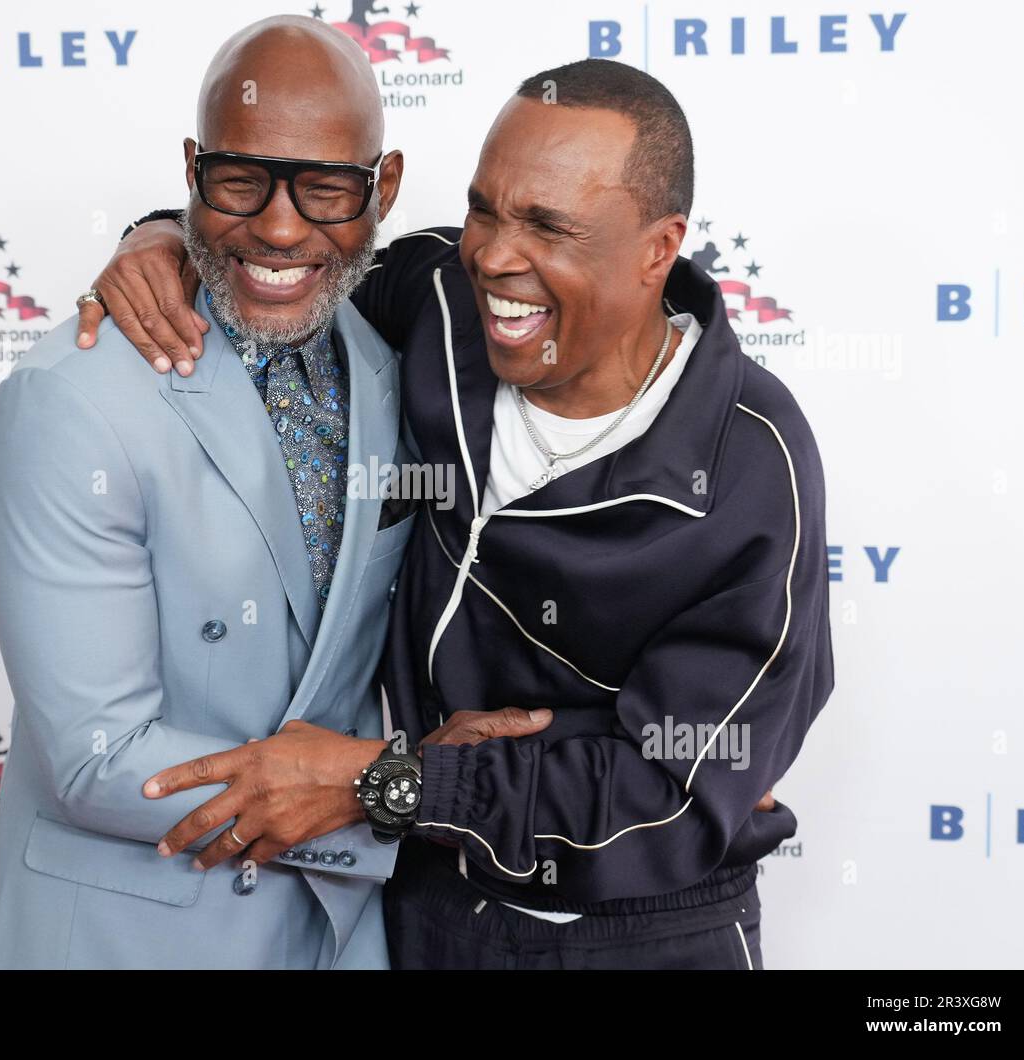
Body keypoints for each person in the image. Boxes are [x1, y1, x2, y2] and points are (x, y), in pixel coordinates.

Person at [82, 53, 835, 969]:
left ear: (657, 248)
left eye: (548, 227)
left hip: (639, 937)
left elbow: (666, 795)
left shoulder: (754, 465)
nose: (492, 256)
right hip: (423, 906)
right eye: (485, 208)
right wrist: (158, 236)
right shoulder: (441, 302)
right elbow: (288, 254)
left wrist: (389, 782)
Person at [0, 15, 549, 970]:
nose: (278, 226)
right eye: (240, 180)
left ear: (382, 188)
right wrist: (389, 790)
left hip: (332, 937)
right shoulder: (66, 401)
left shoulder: (401, 359)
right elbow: (96, 758)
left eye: (324, 188)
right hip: (122, 937)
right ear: (193, 172)